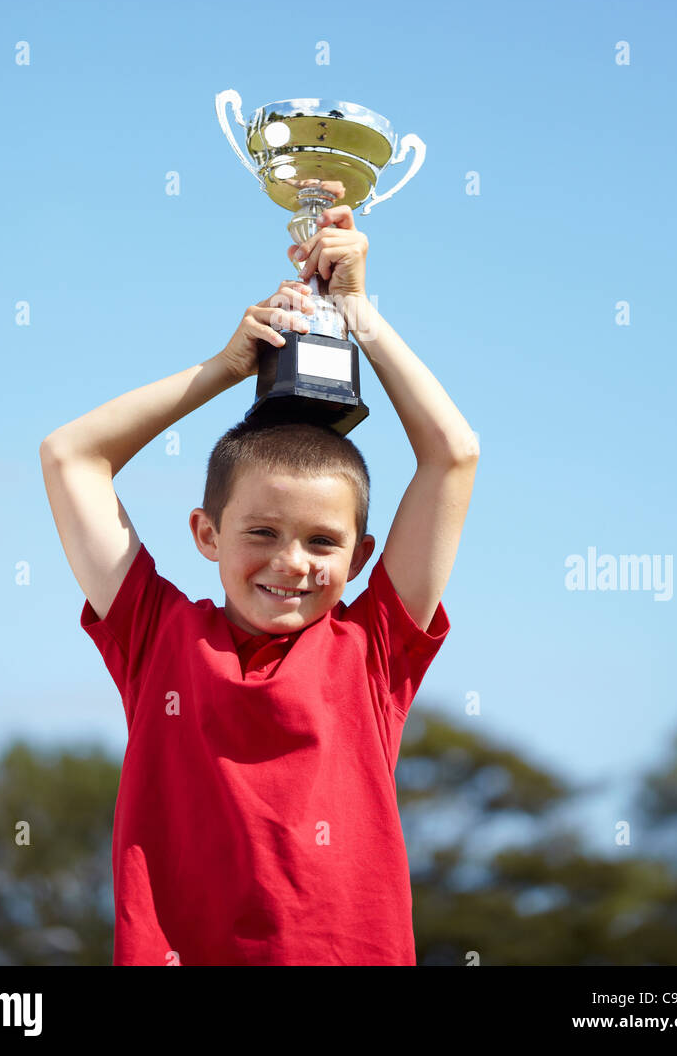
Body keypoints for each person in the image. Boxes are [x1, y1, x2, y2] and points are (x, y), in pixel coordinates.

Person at [39, 205, 479, 965]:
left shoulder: (374, 649)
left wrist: (359, 314)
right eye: (261, 533)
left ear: (361, 555)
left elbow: (453, 455)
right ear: (207, 535)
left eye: (322, 542)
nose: (292, 562)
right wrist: (225, 367)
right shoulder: (156, 636)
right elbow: (69, 455)